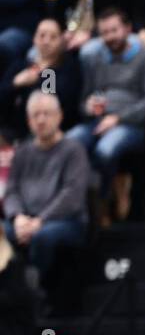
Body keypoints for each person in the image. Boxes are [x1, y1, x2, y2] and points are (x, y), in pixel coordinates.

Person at [67, 7, 145, 222]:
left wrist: (119, 118)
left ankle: (104, 200)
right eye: (104, 32)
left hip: (132, 124)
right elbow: (83, 101)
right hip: (97, 121)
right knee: (69, 143)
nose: (110, 37)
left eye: (114, 30)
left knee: (105, 150)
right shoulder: (95, 60)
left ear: (128, 29)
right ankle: (81, 202)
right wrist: (88, 106)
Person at [3, 92, 90, 291]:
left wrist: (40, 221)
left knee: (43, 237)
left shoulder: (74, 150)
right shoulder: (22, 151)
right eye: (36, 115)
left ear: (59, 117)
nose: (41, 120)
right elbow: (12, 191)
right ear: (28, 121)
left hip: (66, 221)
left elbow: (72, 196)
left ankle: (36, 293)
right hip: (26, 220)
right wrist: (18, 217)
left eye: (46, 113)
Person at [1, 18, 82, 134]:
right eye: (42, 36)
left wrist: (41, 76)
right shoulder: (21, 65)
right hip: (16, 130)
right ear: (34, 39)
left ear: (61, 40)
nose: (46, 41)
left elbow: (60, 102)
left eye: (53, 37)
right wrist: (15, 84)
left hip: (55, 132)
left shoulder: (68, 67)